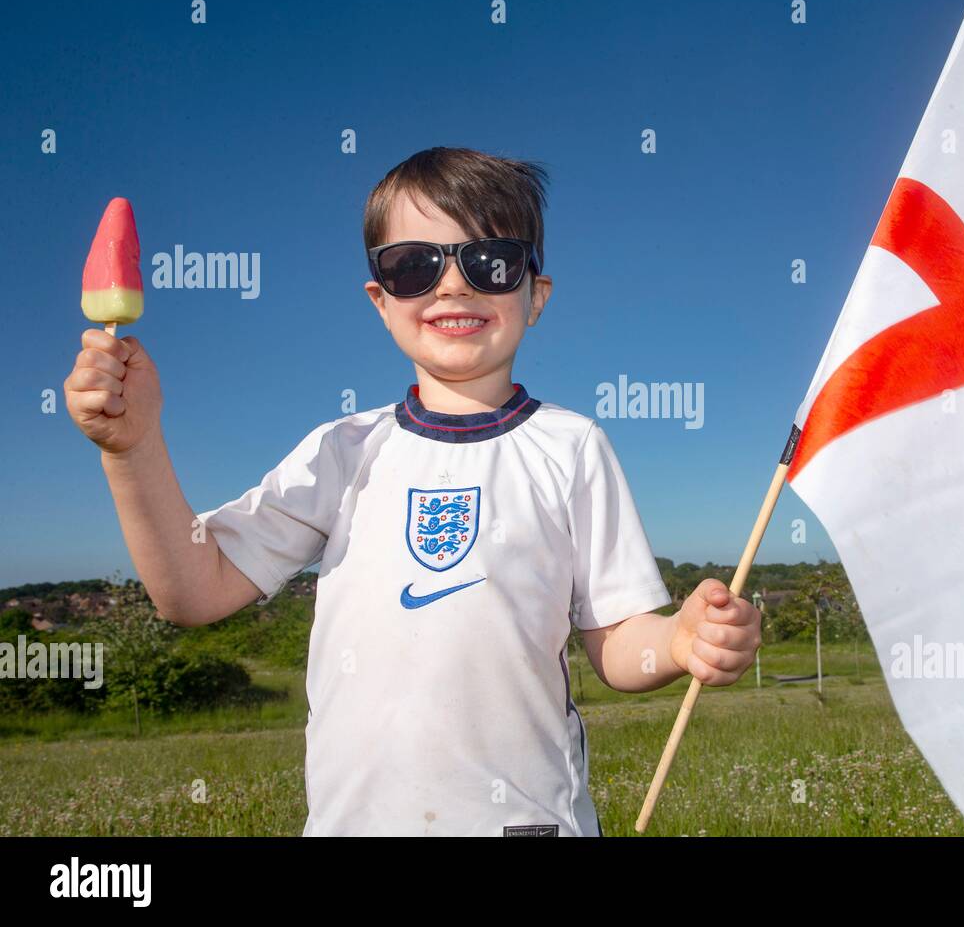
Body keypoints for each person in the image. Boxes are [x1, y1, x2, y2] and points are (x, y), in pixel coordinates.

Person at [64, 145, 761, 836]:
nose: (453, 286)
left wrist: (676, 641)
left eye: (491, 263)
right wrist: (134, 448)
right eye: (414, 266)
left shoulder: (572, 446)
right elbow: (193, 590)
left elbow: (615, 641)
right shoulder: (340, 451)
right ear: (380, 299)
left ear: (535, 295)